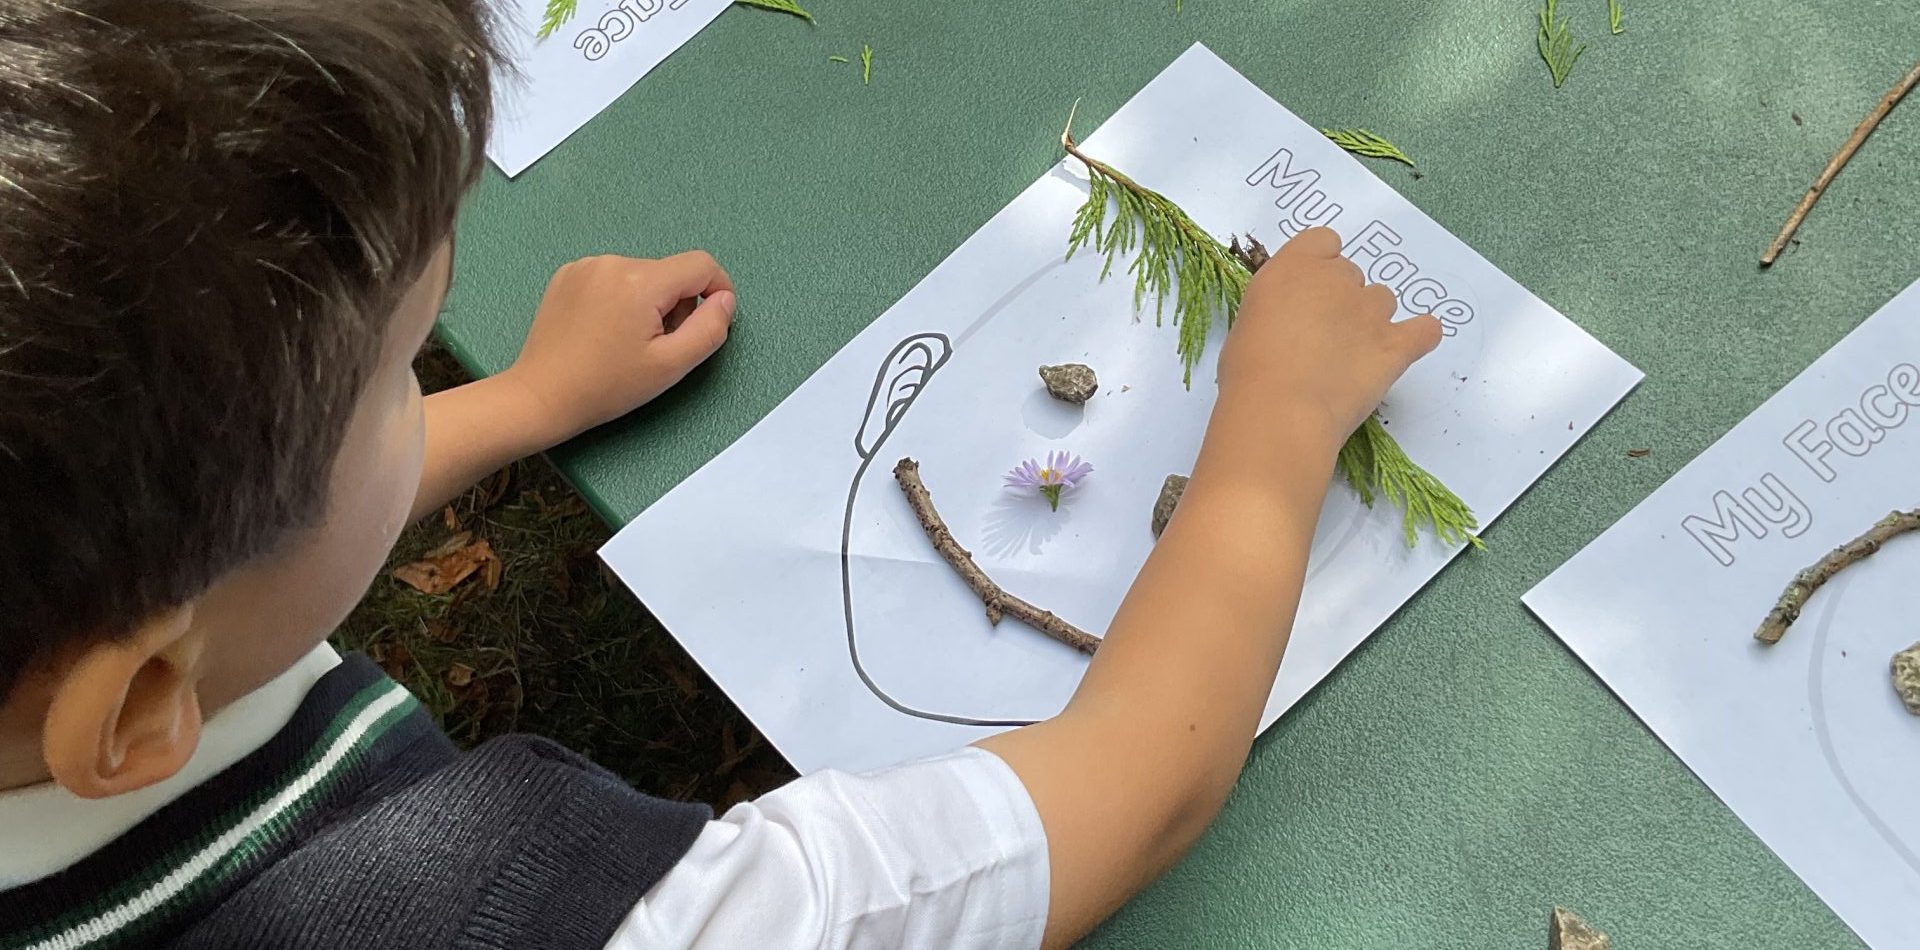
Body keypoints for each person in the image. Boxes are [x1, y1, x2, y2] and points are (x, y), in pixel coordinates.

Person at [0, 1, 1442, 947]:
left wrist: (522, 401)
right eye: (398, 380)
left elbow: (256, 553)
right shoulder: (547, 919)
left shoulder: (77, 632)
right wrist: (1274, 426)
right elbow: (1137, 781)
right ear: (135, 705)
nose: (424, 386)